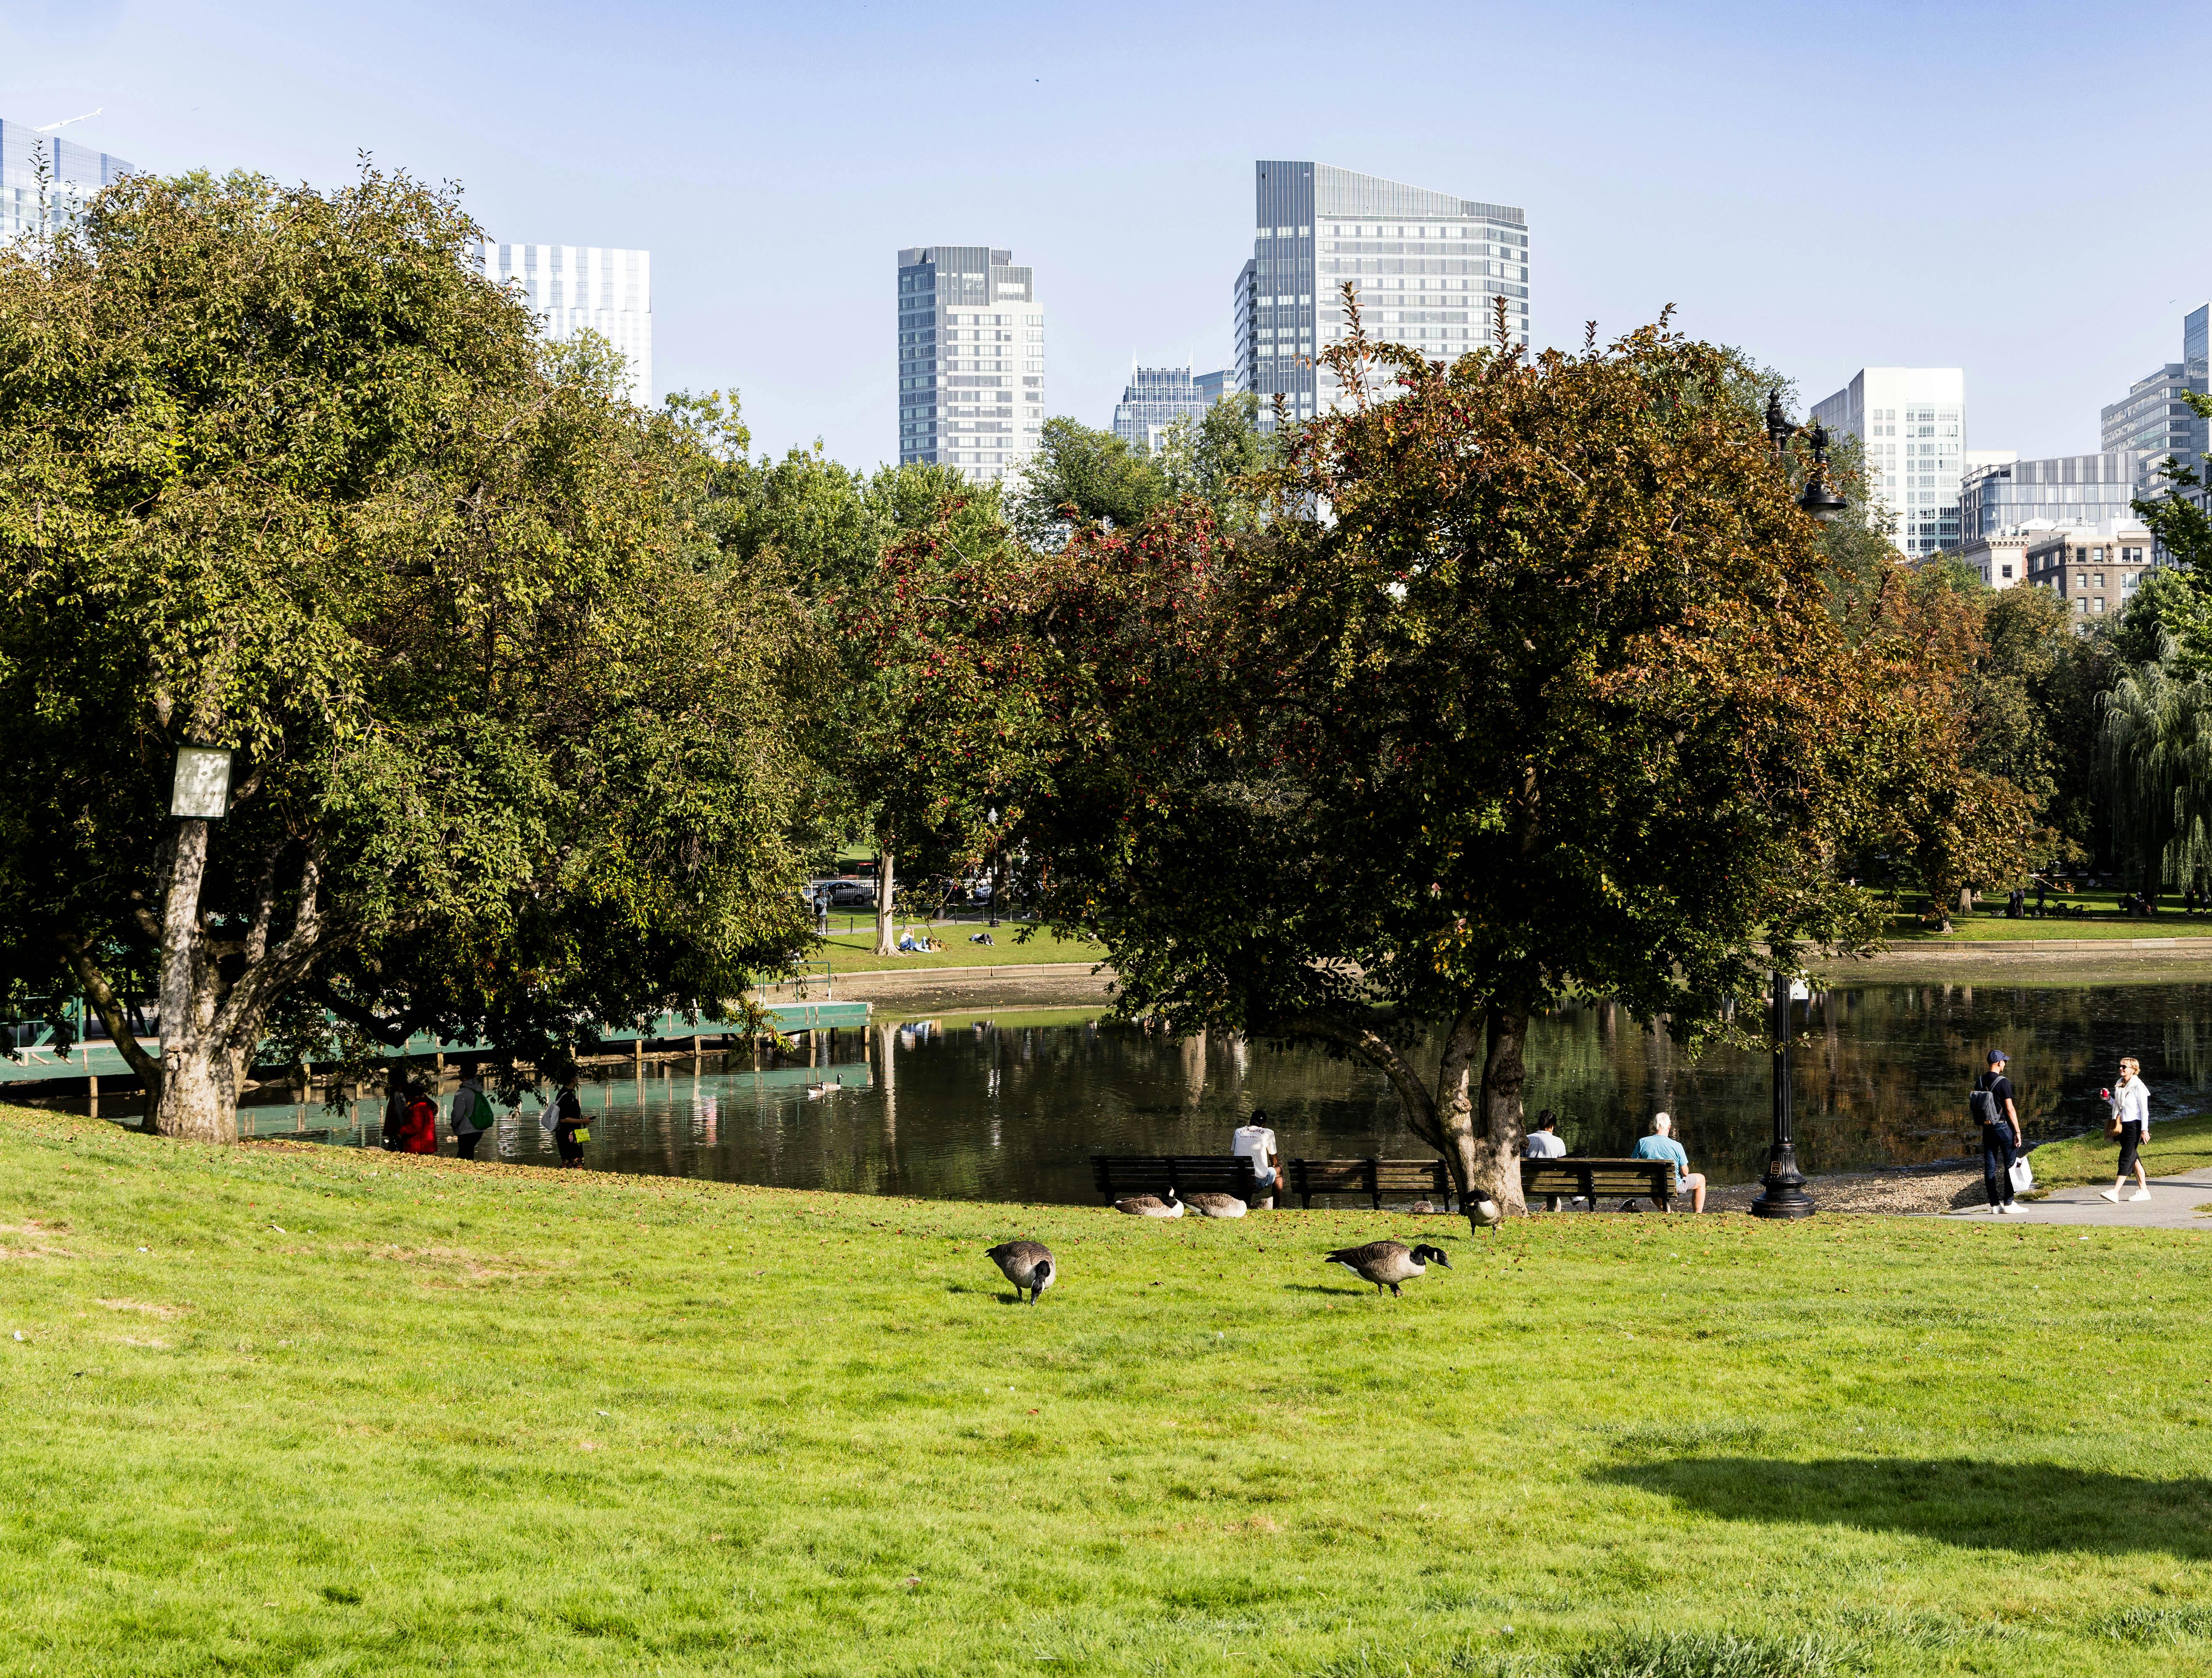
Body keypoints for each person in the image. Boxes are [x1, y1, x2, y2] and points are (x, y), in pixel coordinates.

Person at [1972, 1048, 2022, 1214]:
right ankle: (2009, 1203)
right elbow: (2010, 1109)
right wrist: (2017, 1132)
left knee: (1990, 1165)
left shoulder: (1980, 1080)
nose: (2005, 1063)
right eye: (2005, 1061)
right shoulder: (2003, 1081)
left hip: (1987, 1127)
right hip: (2002, 1126)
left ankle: (1995, 1205)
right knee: (2010, 1163)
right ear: (2000, 1063)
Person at [2100, 1055, 2152, 1204]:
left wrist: (2145, 1130)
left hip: (2134, 1126)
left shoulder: (2138, 1087)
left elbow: (2144, 1111)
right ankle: (2144, 1191)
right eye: (2121, 1066)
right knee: (2133, 1157)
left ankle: (2115, 1192)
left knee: (2125, 1157)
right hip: (2122, 1125)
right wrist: (2108, 1099)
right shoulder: (2120, 1084)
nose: (2121, 1069)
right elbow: (2120, 1106)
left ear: (2134, 1070)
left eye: (2125, 1067)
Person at [1631, 1112, 1706, 1213]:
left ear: (1654, 1126)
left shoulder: (1642, 1142)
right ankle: (1698, 1214)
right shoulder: (1677, 1146)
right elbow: (1685, 1173)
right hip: (1673, 1185)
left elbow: (1634, 1166)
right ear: (1670, 1126)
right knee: (1701, 1179)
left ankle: (1669, 1212)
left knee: (1655, 1188)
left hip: (1651, 1185)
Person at [1232, 1109, 1280, 1207]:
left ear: (1250, 1122)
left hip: (1236, 1179)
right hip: (1256, 1182)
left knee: (1246, 1170)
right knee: (1279, 1171)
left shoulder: (1239, 1132)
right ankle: (1276, 1208)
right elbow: (1275, 1163)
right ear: (1264, 1124)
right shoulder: (1268, 1133)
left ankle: (1245, 1204)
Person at [1524, 1109, 1569, 1212]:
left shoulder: (1527, 1139)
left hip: (1528, 1183)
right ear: (1552, 1126)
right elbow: (1564, 1166)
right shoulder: (1559, 1142)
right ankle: (1552, 1211)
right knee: (1554, 1183)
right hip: (1552, 1183)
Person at [450, 1072, 493, 1160]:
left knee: (463, 1157)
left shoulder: (462, 1093)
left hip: (466, 1130)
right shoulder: (478, 1091)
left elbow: (457, 1114)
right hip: (478, 1130)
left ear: (463, 1074)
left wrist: (454, 1126)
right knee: (468, 1154)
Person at [549, 1081, 586, 1168]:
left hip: (574, 1132)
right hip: (569, 1134)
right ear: (573, 1080)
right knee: (576, 1163)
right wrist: (583, 1121)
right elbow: (564, 1119)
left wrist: (583, 1120)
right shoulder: (567, 1096)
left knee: (573, 1162)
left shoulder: (564, 1093)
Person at [401, 1083, 438, 1154]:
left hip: (419, 1147)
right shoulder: (427, 1104)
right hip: (427, 1144)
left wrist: (402, 1131)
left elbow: (415, 1126)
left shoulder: (418, 1107)